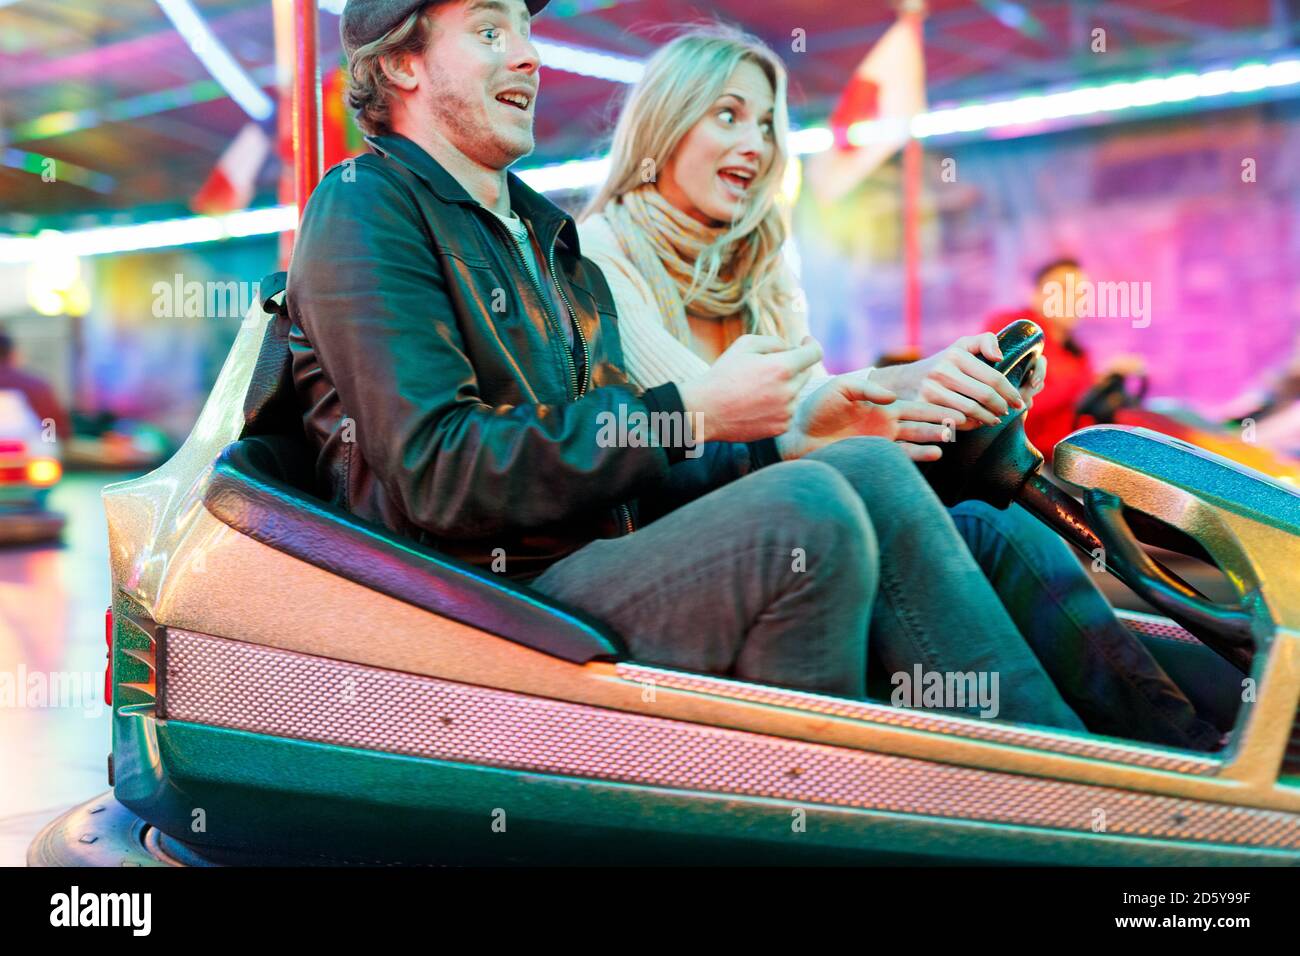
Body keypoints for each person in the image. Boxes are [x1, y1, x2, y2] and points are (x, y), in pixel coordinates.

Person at [288, 0, 1216, 748]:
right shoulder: (367, 207)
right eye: (491, 30)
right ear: (402, 63)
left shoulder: (546, 242)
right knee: (806, 511)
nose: (530, 55)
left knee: (869, 477)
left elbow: (635, 465)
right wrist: (693, 412)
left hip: (588, 556)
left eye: (529, 30)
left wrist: (795, 436)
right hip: (486, 601)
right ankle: (1026, 811)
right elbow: (441, 472)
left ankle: (1158, 777)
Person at [577, 25, 1224, 750]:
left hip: (792, 499)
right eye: (727, 116)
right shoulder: (600, 255)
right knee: (873, 470)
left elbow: (816, 405)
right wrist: (886, 392)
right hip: (694, 531)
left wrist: (931, 389)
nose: (755, 144)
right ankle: (1052, 781)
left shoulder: (760, 267)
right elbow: (726, 417)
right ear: (664, 125)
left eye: (766, 123)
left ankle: (1184, 752)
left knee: (995, 519)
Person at [985, 256, 1147, 457]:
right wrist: (1093, 380)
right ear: (1035, 295)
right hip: (1022, 458)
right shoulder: (1013, 330)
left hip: (1069, 455)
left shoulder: (1077, 355)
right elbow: (1013, 404)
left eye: (1081, 293)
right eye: (1063, 289)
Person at [0, 328, 71, 443]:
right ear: (13, 354)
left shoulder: (35, 386)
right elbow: (54, 426)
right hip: (32, 456)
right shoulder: (36, 386)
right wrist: (49, 447)